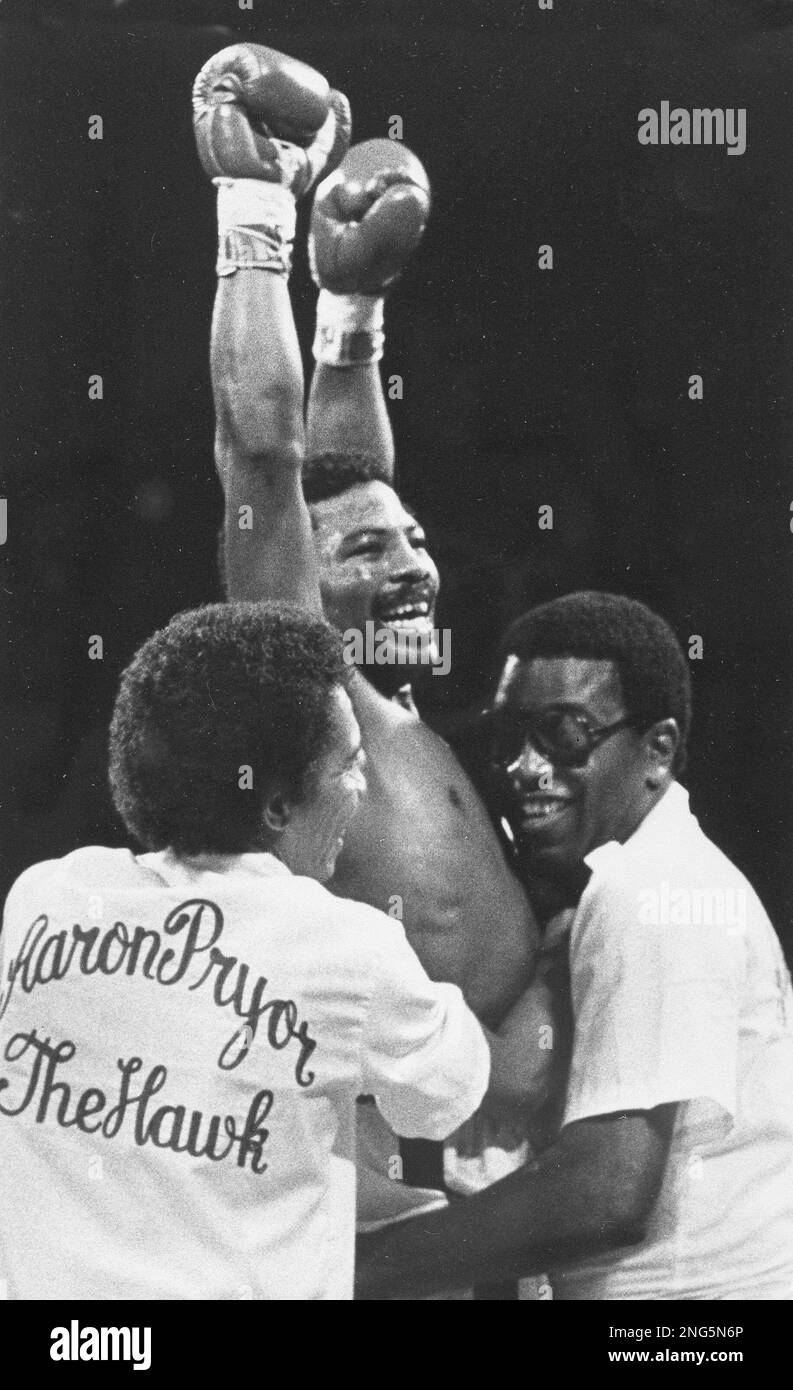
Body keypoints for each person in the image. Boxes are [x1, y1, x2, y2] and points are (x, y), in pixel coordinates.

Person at [192, 43, 553, 1236]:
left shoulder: (380, 693)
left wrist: (351, 314)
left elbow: (348, 481)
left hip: (470, 1117)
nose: (408, 567)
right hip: (381, 1136)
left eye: (415, 540)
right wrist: (252, 215)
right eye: (361, 556)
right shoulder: (304, 685)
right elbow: (267, 457)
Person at [0, 602, 530, 1301]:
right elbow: (448, 1097)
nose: (362, 788)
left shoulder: (45, 897)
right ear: (277, 806)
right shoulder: (348, 947)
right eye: (350, 765)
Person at [356, 592, 793, 1300]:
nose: (524, 768)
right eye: (510, 739)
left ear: (657, 751)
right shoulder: (650, 879)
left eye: (563, 735)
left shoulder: (650, 894)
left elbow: (603, 1195)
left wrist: (344, 1268)